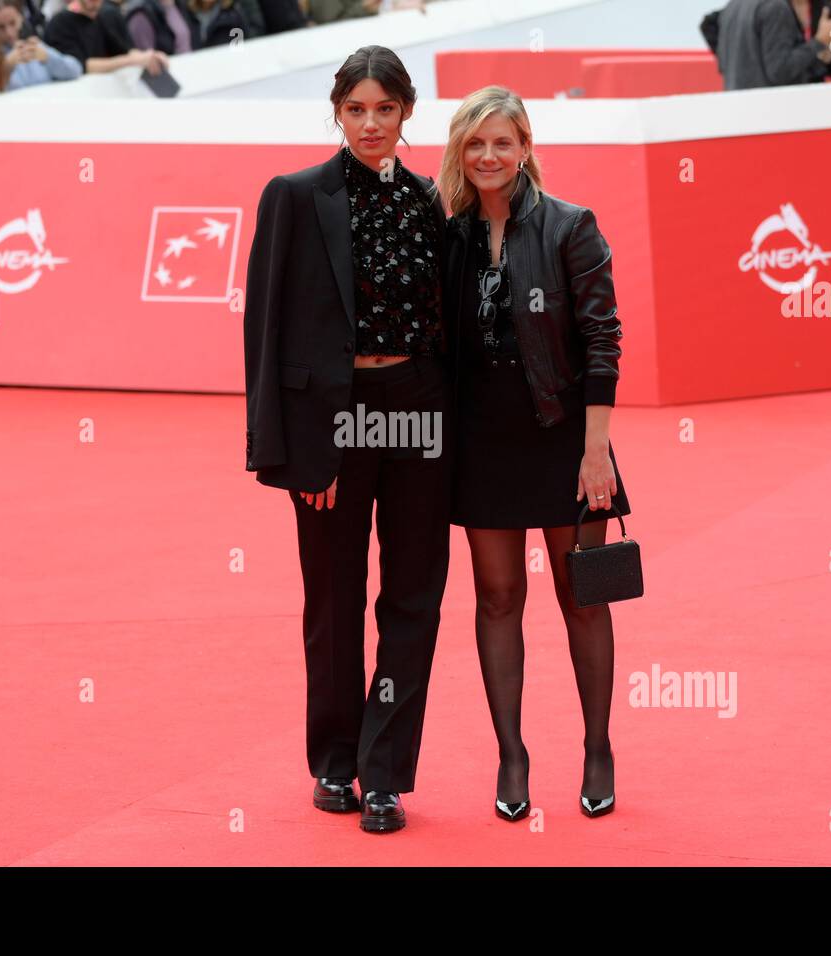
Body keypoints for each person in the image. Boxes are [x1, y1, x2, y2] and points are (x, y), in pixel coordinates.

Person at [243, 45, 451, 834]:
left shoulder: (432, 201)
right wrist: (290, 450)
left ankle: (386, 772)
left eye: (386, 109)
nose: (371, 123)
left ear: (406, 114)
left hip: (420, 409)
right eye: (357, 109)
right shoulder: (296, 197)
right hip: (336, 416)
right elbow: (266, 330)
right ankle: (335, 760)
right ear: (338, 112)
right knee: (332, 596)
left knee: (414, 594)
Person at [438, 85, 633, 821]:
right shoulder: (448, 233)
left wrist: (596, 451)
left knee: (583, 596)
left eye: (503, 142)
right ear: (461, 150)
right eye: (476, 143)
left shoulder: (569, 227)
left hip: (562, 436)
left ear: (525, 148)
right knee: (496, 599)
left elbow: (603, 340)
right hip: (483, 442)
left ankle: (597, 745)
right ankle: (512, 754)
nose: (489, 156)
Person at [716, 0, 831, 91]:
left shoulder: (733, 5)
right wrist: (819, 41)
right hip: (773, 112)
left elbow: (723, 64)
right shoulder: (776, 7)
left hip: (739, 108)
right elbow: (781, 71)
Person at [44, 0, 167, 74]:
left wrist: (150, 56)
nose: (93, 4)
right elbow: (82, 66)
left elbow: (127, 50)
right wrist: (133, 61)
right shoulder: (59, 24)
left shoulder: (109, 14)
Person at [0, 0, 79, 88]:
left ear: (21, 18)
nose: (9, 33)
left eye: (12, 23)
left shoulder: (32, 45)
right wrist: (5, 67)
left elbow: (75, 70)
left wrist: (48, 57)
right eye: (0, 27)